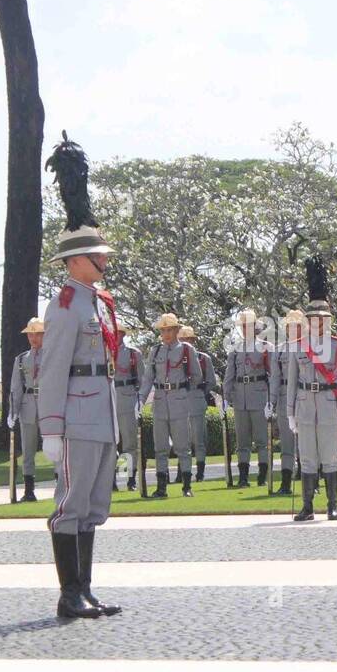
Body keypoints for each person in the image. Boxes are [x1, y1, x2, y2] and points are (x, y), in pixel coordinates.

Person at [37, 133, 122, 619]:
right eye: (97, 256)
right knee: (70, 504)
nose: (104, 261)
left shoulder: (97, 302)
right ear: (74, 262)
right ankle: (69, 594)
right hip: (74, 415)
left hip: (101, 413)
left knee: (92, 506)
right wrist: (51, 427)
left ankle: (84, 589)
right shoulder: (67, 305)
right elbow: (51, 368)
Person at [287, 258, 337, 521]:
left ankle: (332, 505)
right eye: (313, 319)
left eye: (322, 319)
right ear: (308, 321)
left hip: (328, 405)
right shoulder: (298, 346)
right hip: (304, 405)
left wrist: (336, 391)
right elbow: (292, 381)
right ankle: (307, 507)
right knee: (306, 457)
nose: (318, 323)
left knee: (329, 456)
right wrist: (290, 413)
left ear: (327, 321)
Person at [139, 312, 202, 497]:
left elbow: (197, 375)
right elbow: (148, 377)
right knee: (160, 448)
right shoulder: (155, 350)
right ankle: (161, 488)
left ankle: (187, 486)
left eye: (169, 330)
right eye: (163, 330)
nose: (166, 334)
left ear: (176, 330)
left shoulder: (186, 349)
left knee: (183, 447)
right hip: (159, 401)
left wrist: (183, 390)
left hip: (179, 400)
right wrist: (141, 400)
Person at [222, 309, 274, 488]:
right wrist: (225, 396)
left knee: (261, 440)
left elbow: (272, 375)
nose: (245, 329)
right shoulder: (235, 348)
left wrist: (271, 399)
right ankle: (243, 477)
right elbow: (229, 374)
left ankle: (262, 474)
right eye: (243, 326)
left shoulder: (266, 347)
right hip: (239, 396)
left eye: (249, 325)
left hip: (259, 395)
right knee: (242, 441)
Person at [8, 318, 46, 502]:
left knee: (56, 448)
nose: (33, 337)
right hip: (28, 405)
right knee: (28, 451)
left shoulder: (53, 355)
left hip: (49, 403)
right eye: (30, 334)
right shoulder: (22, 359)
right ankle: (29, 491)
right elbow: (16, 387)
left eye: (37, 333)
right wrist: (13, 411)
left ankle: (60, 486)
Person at [270, 309, 304, 495]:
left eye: (297, 326)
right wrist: (271, 401)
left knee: (306, 442)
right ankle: (285, 483)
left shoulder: (309, 347)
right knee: (287, 442)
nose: (293, 329)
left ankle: (311, 482)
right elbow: (275, 377)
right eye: (290, 326)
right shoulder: (280, 349)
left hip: (304, 396)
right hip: (284, 396)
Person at [178, 325, 216, 483]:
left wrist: (200, 392)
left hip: (196, 399)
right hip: (179, 402)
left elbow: (211, 381)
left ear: (193, 340)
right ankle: (182, 473)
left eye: (189, 339)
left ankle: (200, 473)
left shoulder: (203, 358)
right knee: (182, 441)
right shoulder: (174, 357)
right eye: (183, 339)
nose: (186, 342)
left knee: (198, 440)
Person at [113, 328, 142, 491]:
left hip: (127, 399)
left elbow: (142, 380)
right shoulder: (103, 352)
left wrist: (139, 402)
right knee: (110, 443)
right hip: (108, 401)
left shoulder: (133, 354)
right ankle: (111, 479)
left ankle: (128, 478)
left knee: (129, 442)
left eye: (117, 332)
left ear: (123, 335)